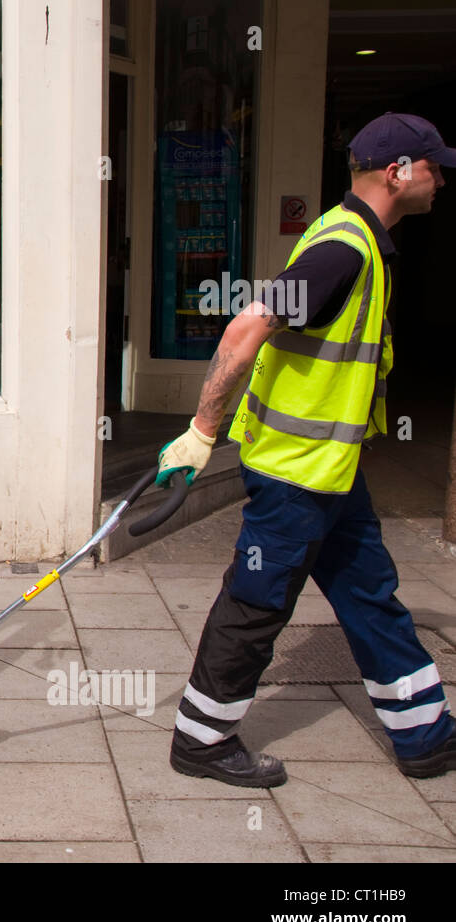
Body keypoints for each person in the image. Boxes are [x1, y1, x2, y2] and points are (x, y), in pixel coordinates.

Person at [156, 113, 456, 788]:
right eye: (434, 166)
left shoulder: (352, 237)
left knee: (370, 594)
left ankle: (425, 735)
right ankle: (201, 738)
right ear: (397, 172)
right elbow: (246, 328)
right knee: (256, 602)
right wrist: (203, 432)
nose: (440, 179)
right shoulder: (343, 250)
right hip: (297, 476)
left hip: (332, 472)